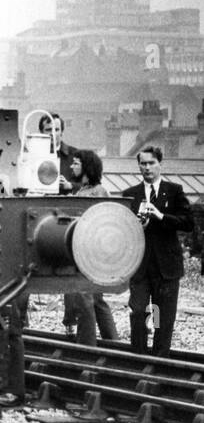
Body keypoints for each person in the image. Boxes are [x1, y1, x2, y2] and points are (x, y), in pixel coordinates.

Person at [124, 146, 193, 355]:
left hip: (166, 267)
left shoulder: (174, 191)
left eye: (151, 163)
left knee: (161, 318)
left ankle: (159, 362)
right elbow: (121, 229)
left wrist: (161, 215)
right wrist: (135, 226)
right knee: (139, 311)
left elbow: (188, 223)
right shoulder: (130, 195)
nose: (147, 168)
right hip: (141, 266)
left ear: (160, 164)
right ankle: (138, 358)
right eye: (143, 163)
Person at [61, 149, 118, 346]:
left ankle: (87, 345)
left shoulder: (98, 192)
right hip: (83, 249)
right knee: (96, 298)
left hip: (89, 251)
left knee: (85, 298)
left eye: (76, 163)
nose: (72, 166)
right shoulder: (81, 190)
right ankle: (113, 342)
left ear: (86, 167)